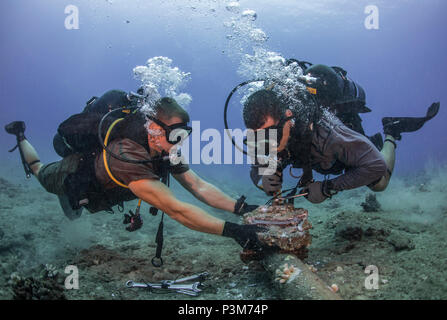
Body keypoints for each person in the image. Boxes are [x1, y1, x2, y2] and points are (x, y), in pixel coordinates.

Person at [5, 90, 264, 254]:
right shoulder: (126, 155)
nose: (180, 142)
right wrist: (236, 232)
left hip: (103, 193)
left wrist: (243, 208)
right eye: (175, 135)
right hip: (71, 175)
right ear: (152, 127)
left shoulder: (164, 149)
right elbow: (175, 208)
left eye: (185, 134)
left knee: (73, 214)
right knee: (39, 171)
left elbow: (197, 185)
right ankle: (20, 135)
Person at [243, 64, 440, 203]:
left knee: (379, 184)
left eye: (273, 133)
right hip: (317, 156)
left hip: (338, 148)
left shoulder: (328, 130)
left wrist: (327, 188)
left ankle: (391, 131)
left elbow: (375, 166)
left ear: (289, 118)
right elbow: (257, 172)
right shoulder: (262, 134)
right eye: (260, 136)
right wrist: (264, 178)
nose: (268, 142)